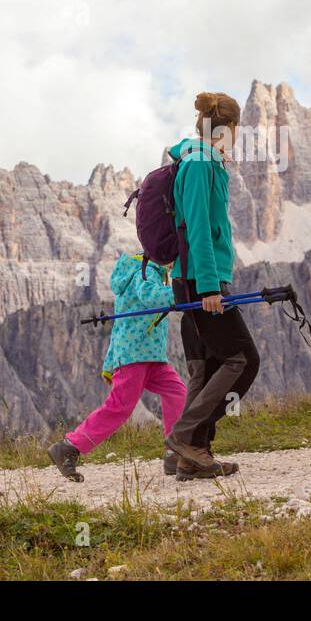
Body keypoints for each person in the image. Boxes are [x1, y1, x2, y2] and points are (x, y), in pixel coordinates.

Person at [163, 91, 259, 480]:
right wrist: (209, 289)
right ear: (229, 128)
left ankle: (191, 456)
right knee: (243, 360)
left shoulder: (199, 160)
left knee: (207, 366)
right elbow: (198, 228)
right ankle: (185, 437)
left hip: (192, 279)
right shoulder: (201, 164)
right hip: (202, 282)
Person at [47, 253, 189, 482]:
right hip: (135, 356)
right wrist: (184, 292)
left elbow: (120, 324)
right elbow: (150, 296)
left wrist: (109, 362)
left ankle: (174, 450)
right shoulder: (146, 271)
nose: (173, 264)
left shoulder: (144, 270)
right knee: (119, 407)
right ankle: (69, 447)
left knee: (177, 392)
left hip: (151, 356)